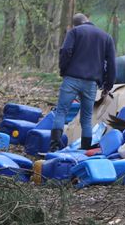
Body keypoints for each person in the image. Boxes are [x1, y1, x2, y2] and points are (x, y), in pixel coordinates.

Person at [50, 13, 116, 151]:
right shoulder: (106, 37)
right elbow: (111, 64)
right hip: (91, 83)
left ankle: (54, 147)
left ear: (75, 24)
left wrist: (63, 70)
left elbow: (66, 51)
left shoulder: (74, 32)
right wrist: (107, 85)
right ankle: (85, 151)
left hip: (71, 79)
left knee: (61, 112)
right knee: (86, 118)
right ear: (88, 20)